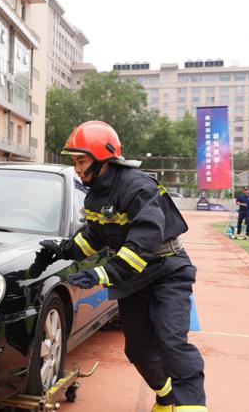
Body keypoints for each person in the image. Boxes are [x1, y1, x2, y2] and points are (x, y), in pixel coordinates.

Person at [39, 121, 206, 412]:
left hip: (167, 271)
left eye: (81, 160)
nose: (77, 167)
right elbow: (95, 236)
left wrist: (99, 275)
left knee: (172, 341)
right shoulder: (96, 193)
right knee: (138, 350)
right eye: (74, 161)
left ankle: (191, 406)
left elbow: (142, 246)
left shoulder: (139, 187)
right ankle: (165, 397)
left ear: (103, 159)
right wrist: (63, 251)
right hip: (133, 278)